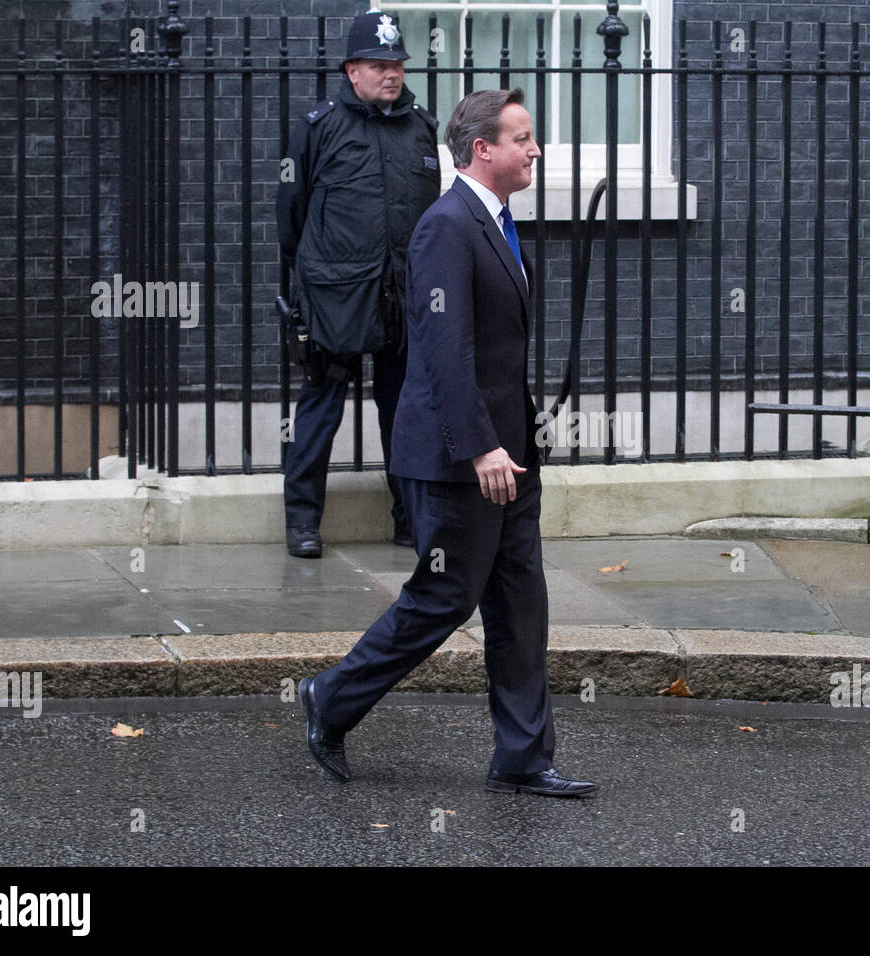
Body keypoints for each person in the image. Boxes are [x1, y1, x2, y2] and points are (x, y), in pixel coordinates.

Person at [298, 88, 596, 799]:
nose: (535, 149)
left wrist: (511, 444)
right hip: (462, 459)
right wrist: (480, 447)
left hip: (510, 455)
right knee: (442, 598)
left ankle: (523, 758)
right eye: (522, 138)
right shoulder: (447, 226)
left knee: (521, 604)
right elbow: (442, 349)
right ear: (482, 149)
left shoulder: (492, 221)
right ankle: (330, 698)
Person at [276, 8, 441, 558]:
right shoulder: (319, 127)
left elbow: (431, 215)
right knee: (321, 410)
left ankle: (408, 518)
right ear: (351, 70)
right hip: (336, 295)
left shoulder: (421, 125)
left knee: (405, 412)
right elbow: (290, 215)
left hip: (403, 295)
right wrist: (313, 281)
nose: (391, 73)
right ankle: (302, 522)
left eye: (395, 63)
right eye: (377, 64)